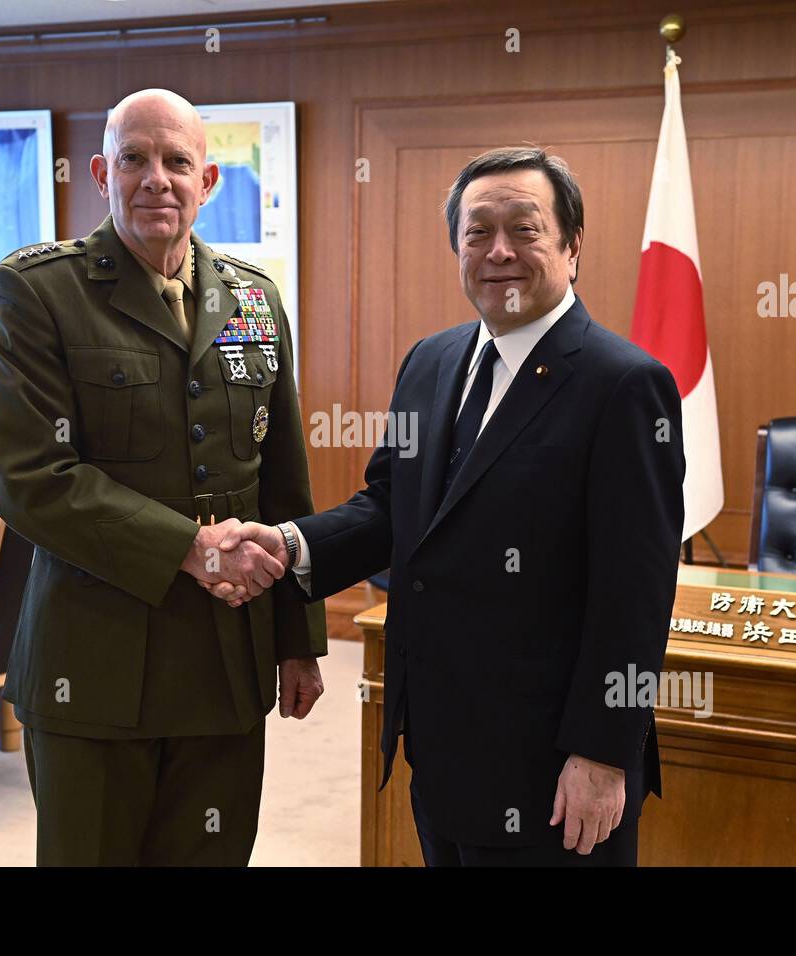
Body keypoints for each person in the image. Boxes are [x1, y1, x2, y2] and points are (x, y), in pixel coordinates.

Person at [206, 147, 685, 866]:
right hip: (440, 747)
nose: (499, 252)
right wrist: (289, 546)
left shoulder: (625, 385)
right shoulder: (431, 361)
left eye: (524, 230)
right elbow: (392, 507)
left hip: (554, 767)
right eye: (477, 232)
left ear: (572, 245)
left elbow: (637, 595)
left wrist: (604, 753)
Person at [0, 89, 326, 866]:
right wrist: (192, 549)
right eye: (135, 158)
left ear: (208, 182)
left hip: (226, 662)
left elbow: (284, 486)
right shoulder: (37, 292)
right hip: (91, 666)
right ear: (102, 172)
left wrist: (299, 642)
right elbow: (28, 475)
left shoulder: (255, 300)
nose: (156, 179)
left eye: (177, 161)